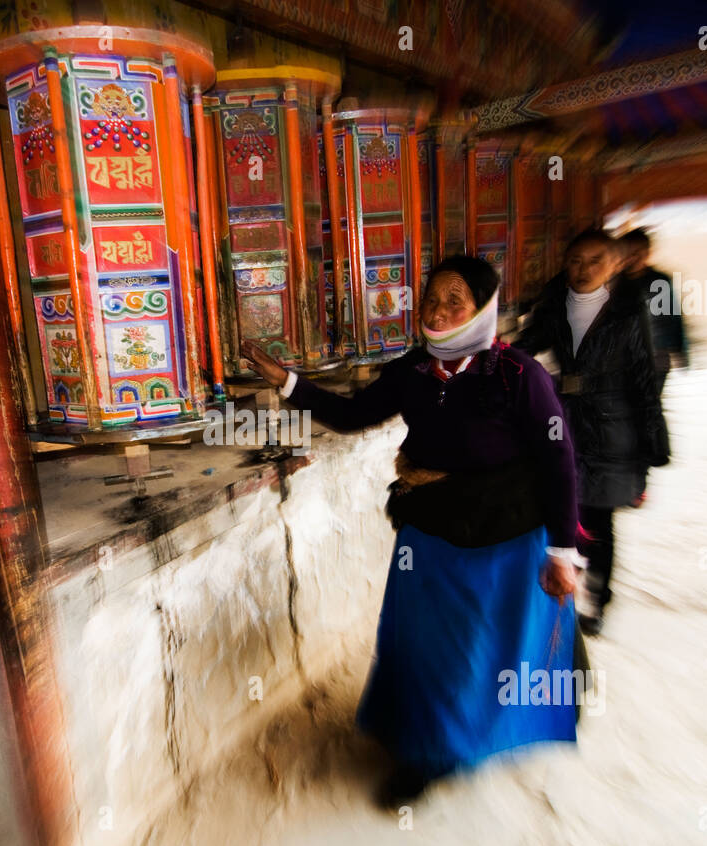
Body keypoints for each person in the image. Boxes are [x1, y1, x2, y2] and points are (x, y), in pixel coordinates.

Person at [241, 256, 584, 809]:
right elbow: (353, 415)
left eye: (456, 302)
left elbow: (558, 459)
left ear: (483, 309)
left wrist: (564, 550)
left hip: (508, 537)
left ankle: (460, 741)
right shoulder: (413, 372)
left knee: (485, 653)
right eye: (431, 301)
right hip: (430, 534)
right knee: (426, 649)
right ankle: (423, 752)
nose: (440, 312)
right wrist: (289, 383)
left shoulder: (520, 375)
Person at [515, 229, 670, 636]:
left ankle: (597, 601)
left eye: (595, 261)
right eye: (576, 261)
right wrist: (492, 360)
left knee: (598, 522)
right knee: (561, 512)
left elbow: (644, 380)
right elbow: (525, 348)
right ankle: (560, 593)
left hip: (613, 427)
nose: (583, 270)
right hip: (563, 424)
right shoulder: (553, 305)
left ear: (614, 264)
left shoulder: (630, 310)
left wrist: (651, 443)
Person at [620, 227, 687, 394]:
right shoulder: (616, 282)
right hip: (624, 356)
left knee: (651, 402)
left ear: (647, 253)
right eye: (629, 252)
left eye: (638, 252)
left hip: (657, 355)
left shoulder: (659, 281)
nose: (633, 257)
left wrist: (680, 350)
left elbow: (673, 317)